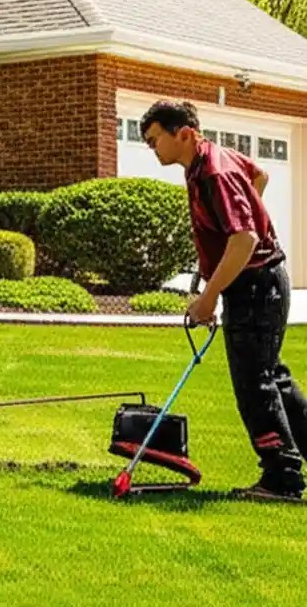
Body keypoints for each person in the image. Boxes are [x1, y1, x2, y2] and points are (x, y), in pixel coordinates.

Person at [139, 99, 306, 502]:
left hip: (255, 286)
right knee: (273, 378)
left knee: (255, 385)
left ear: (184, 134)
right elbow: (260, 175)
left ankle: (281, 479)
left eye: (154, 140)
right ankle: (286, 471)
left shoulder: (213, 172)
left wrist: (208, 297)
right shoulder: (212, 161)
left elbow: (244, 239)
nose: (151, 148)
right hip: (259, 283)